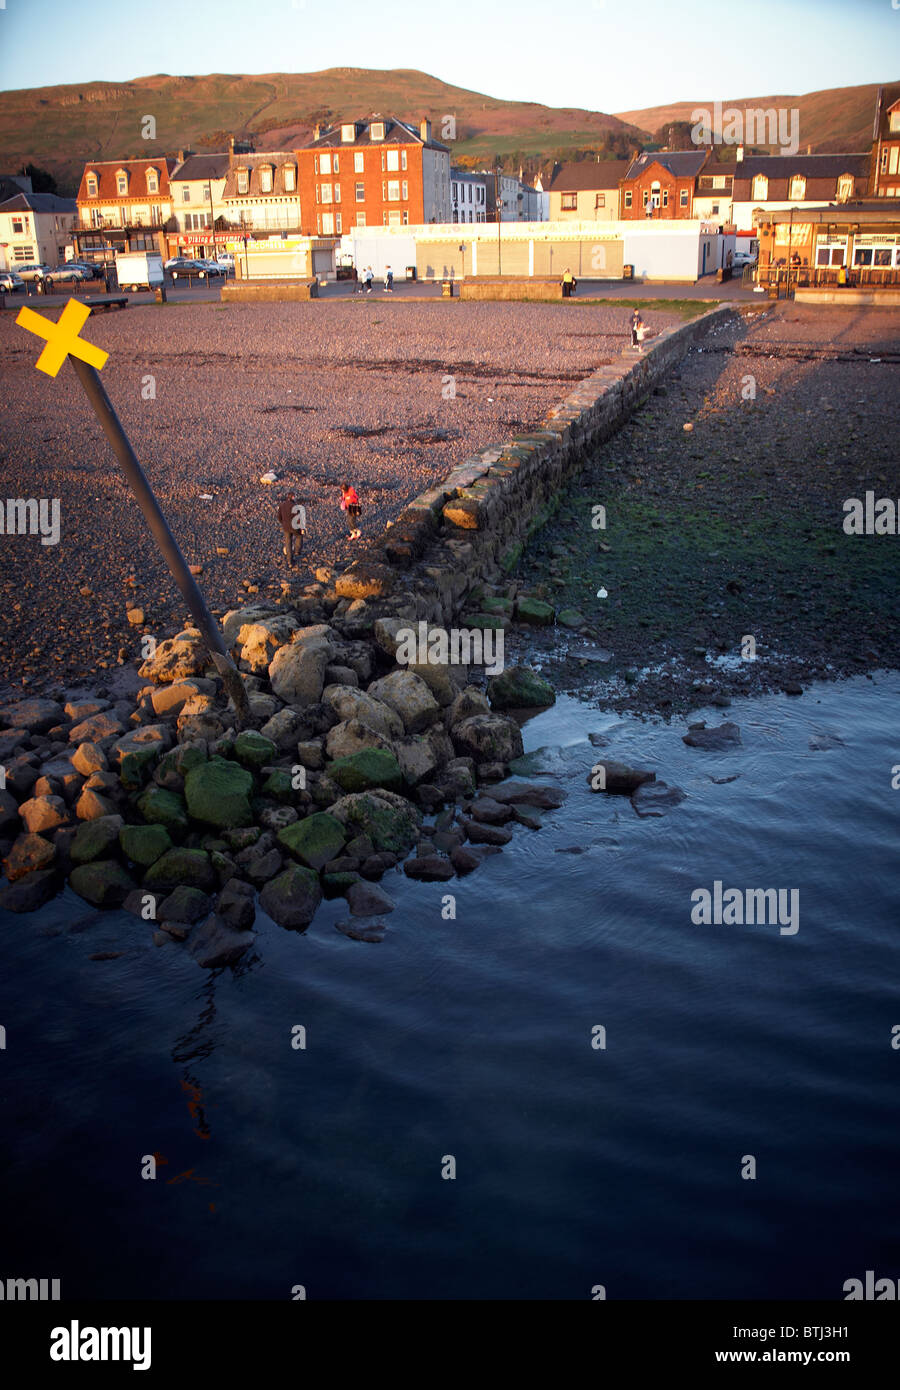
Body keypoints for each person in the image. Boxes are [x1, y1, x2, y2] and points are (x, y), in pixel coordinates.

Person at [277, 493, 306, 568]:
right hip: (295, 526)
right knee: (299, 536)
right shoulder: (295, 506)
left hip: (286, 527)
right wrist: (302, 528)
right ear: (293, 497)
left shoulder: (282, 505)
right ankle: (297, 551)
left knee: (288, 542)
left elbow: (279, 517)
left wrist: (283, 523)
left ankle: (289, 561)